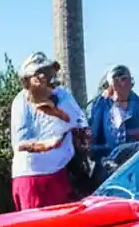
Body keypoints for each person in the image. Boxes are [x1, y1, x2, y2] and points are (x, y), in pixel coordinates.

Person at [10, 52, 88, 210]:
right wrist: (46, 145)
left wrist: (81, 138)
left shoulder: (63, 95)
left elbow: (80, 124)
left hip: (61, 174)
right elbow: (20, 144)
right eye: (39, 73)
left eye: (48, 71)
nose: (45, 77)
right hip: (31, 177)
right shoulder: (21, 102)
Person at [88, 65, 139, 161]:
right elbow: (94, 137)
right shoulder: (100, 104)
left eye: (124, 79)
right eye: (115, 81)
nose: (120, 85)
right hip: (108, 162)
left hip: (135, 162)